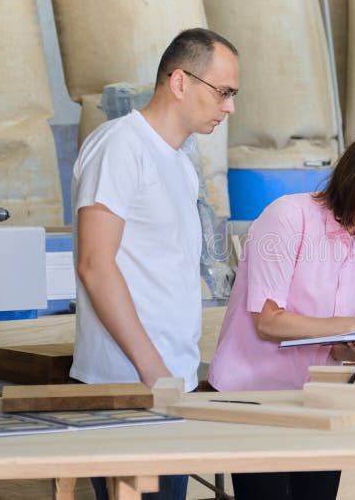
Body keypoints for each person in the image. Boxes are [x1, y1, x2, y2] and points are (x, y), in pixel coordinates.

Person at [208, 129, 355, 500]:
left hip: (318, 398)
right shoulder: (288, 217)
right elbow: (268, 323)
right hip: (253, 394)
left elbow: (334, 348)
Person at [71, 28, 239, 500]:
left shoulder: (181, 162)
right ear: (181, 82)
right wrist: (151, 368)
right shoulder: (120, 146)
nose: (230, 108)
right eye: (223, 93)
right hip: (126, 390)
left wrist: (177, 378)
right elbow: (94, 264)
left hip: (167, 388)